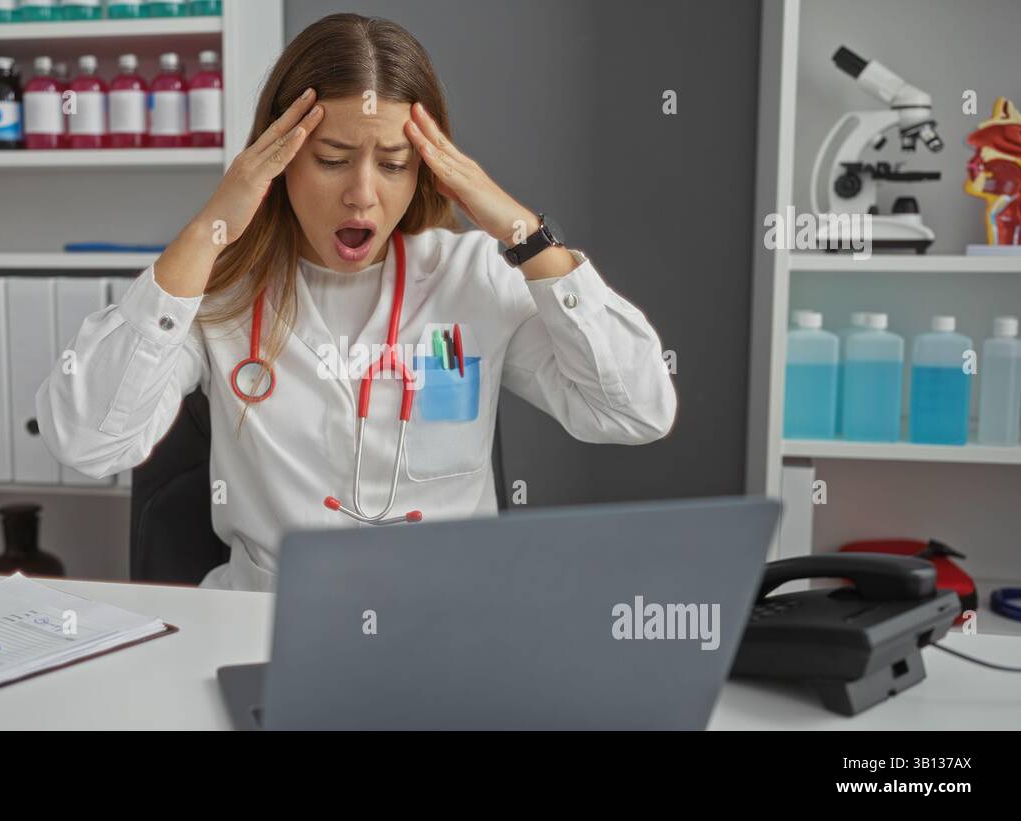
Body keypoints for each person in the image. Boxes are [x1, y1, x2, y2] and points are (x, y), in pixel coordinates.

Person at [37, 13, 677, 592]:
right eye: (333, 159)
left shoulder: (473, 277)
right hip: (266, 618)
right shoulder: (221, 295)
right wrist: (210, 230)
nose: (362, 196)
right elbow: (87, 442)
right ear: (276, 161)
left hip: (448, 619)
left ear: (428, 170)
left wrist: (523, 231)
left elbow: (636, 411)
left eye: (395, 163)